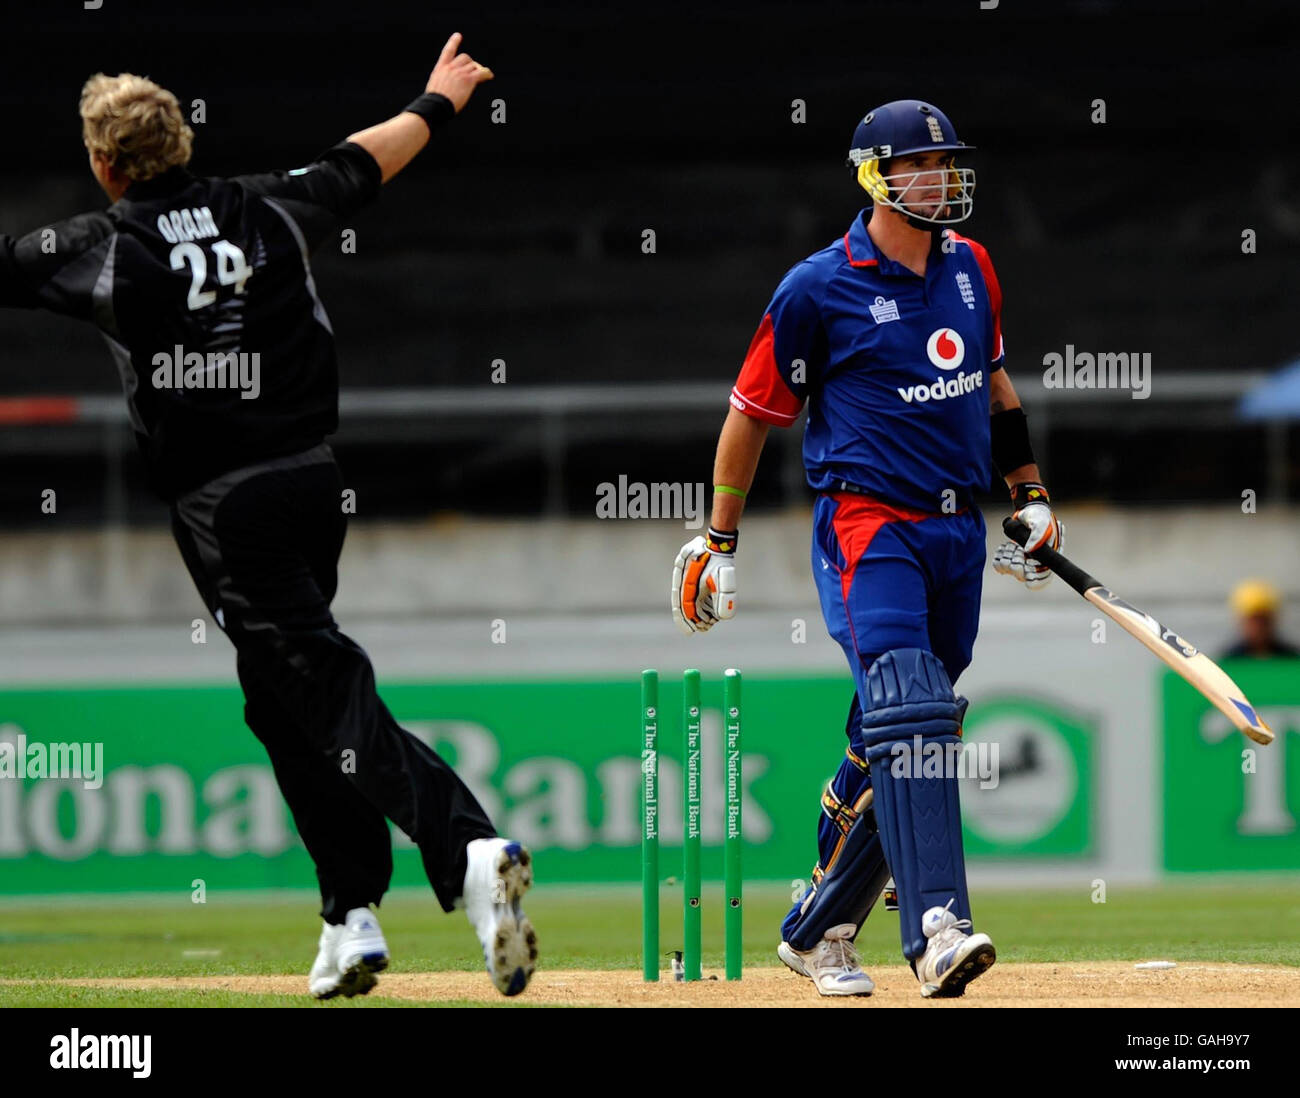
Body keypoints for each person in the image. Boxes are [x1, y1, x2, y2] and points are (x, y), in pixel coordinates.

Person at [0, 35, 537, 1000]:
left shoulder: (100, 245)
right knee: (279, 695)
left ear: (105, 162)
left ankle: (467, 849)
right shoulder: (267, 204)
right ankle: (350, 918)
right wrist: (439, 99)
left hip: (227, 507)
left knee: (323, 687)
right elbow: (365, 159)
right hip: (314, 484)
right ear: (182, 140)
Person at [671, 100, 1062, 998]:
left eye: (948, 163)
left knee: (900, 729)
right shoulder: (817, 287)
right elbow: (750, 414)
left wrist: (1032, 492)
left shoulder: (973, 269)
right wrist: (718, 539)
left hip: (959, 532)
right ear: (875, 177)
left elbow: (995, 387)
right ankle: (937, 928)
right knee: (912, 706)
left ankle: (817, 925)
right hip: (867, 523)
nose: (941, 179)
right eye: (921, 166)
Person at [1222, 580, 1299, 659]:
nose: (1258, 627)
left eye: (1263, 620)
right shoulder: (1230, 660)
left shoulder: (1291, 658)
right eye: (1253, 620)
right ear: (1241, 621)